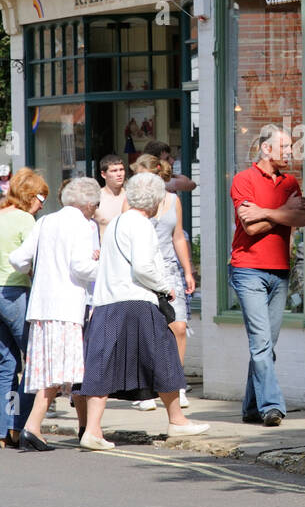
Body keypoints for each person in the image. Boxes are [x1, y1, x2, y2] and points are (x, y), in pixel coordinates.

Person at [78, 172, 209, 448]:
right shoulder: (142, 225)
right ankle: (178, 421)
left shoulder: (115, 223)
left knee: (101, 364)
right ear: (158, 201)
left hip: (106, 303)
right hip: (137, 301)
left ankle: (92, 430)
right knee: (164, 357)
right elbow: (143, 267)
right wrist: (165, 287)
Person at [8, 177, 102, 451]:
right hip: (68, 306)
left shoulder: (45, 221)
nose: (95, 209)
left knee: (59, 369)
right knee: (64, 370)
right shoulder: (83, 225)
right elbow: (81, 268)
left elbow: (17, 259)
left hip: (41, 306)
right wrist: (106, 266)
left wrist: (42, 271)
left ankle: (79, 427)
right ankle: (32, 427)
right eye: (95, 204)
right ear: (86, 203)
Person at [229, 124, 305, 427]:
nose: (290, 152)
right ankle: (272, 406)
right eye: (285, 148)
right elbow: (249, 227)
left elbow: (302, 218)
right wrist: (282, 212)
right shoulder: (243, 179)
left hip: (280, 271)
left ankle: (250, 407)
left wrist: (266, 212)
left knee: (265, 345)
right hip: (247, 269)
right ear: (265, 149)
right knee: (261, 343)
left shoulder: (290, 182)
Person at [0, 167, 48, 449]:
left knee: (8, 364)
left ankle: (3, 430)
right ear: (30, 195)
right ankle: (20, 426)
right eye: (41, 197)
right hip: (16, 294)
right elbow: (34, 262)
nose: (42, 204)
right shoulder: (25, 220)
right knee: (34, 361)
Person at [129, 153, 196, 411]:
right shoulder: (132, 202)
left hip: (168, 268)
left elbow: (178, 236)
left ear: (156, 173)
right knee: (146, 330)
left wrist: (188, 270)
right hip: (142, 270)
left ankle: (176, 384)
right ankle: (146, 388)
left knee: (178, 327)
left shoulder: (173, 200)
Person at [95, 154, 126, 240]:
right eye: (114, 171)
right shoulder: (96, 198)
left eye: (121, 169)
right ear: (104, 174)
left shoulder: (131, 197)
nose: (119, 174)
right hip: (104, 250)